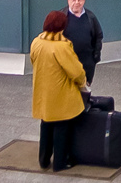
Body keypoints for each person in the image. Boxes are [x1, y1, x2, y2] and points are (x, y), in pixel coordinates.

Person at [32, 9, 87, 172]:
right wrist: (83, 81)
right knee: (62, 128)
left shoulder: (36, 42)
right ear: (62, 26)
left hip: (42, 92)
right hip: (61, 94)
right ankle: (60, 162)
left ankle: (43, 159)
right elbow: (76, 72)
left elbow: (33, 60)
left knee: (46, 125)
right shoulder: (62, 46)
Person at [62, 0, 103, 86]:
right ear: (68, 0)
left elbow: (98, 36)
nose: (76, 2)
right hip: (67, 65)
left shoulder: (90, 17)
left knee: (84, 95)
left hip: (86, 65)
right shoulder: (62, 17)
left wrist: (95, 58)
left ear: (84, 0)